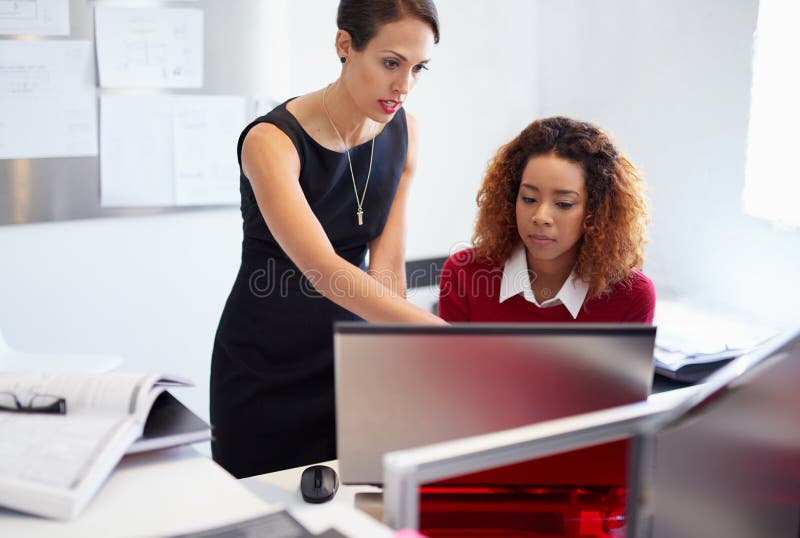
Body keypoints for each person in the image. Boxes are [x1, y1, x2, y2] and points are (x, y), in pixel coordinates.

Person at [211, 0, 444, 479]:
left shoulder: (406, 132)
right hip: (263, 367)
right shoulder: (271, 140)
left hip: (349, 365)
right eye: (390, 63)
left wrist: (393, 356)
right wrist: (442, 338)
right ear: (345, 45)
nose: (404, 86)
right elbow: (324, 271)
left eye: (419, 68)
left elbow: (387, 264)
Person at [439, 116, 655, 323]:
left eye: (563, 204)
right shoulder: (463, 274)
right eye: (529, 199)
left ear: (596, 210)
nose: (541, 217)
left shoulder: (632, 295)